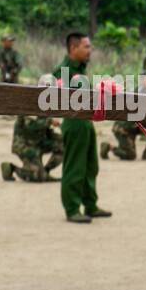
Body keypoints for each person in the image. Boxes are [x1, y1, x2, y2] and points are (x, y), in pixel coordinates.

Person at [57, 32, 111, 224]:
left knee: (90, 166)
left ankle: (90, 204)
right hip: (74, 123)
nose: (90, 51)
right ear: (73, 48)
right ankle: (72, 208)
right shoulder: (64, 71)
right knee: (75, 167)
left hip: (85, 121)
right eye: (86, 47)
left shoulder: (79, 69)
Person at [101, 36, 146, 161]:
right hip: (123, 128)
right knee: (130, 156)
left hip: (133, 127)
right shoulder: (139, 94)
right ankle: (109, 147)